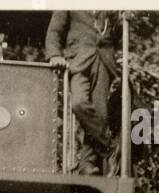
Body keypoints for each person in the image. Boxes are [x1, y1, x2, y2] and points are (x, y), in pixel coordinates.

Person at [45, 10, 121, 175]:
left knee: (100, 113)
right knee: (79, 103)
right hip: (78, 60)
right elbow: (55, 31)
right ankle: (110, 146)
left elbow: (117, 33)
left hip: (103, 61)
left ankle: (87, 164)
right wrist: (54, 54)